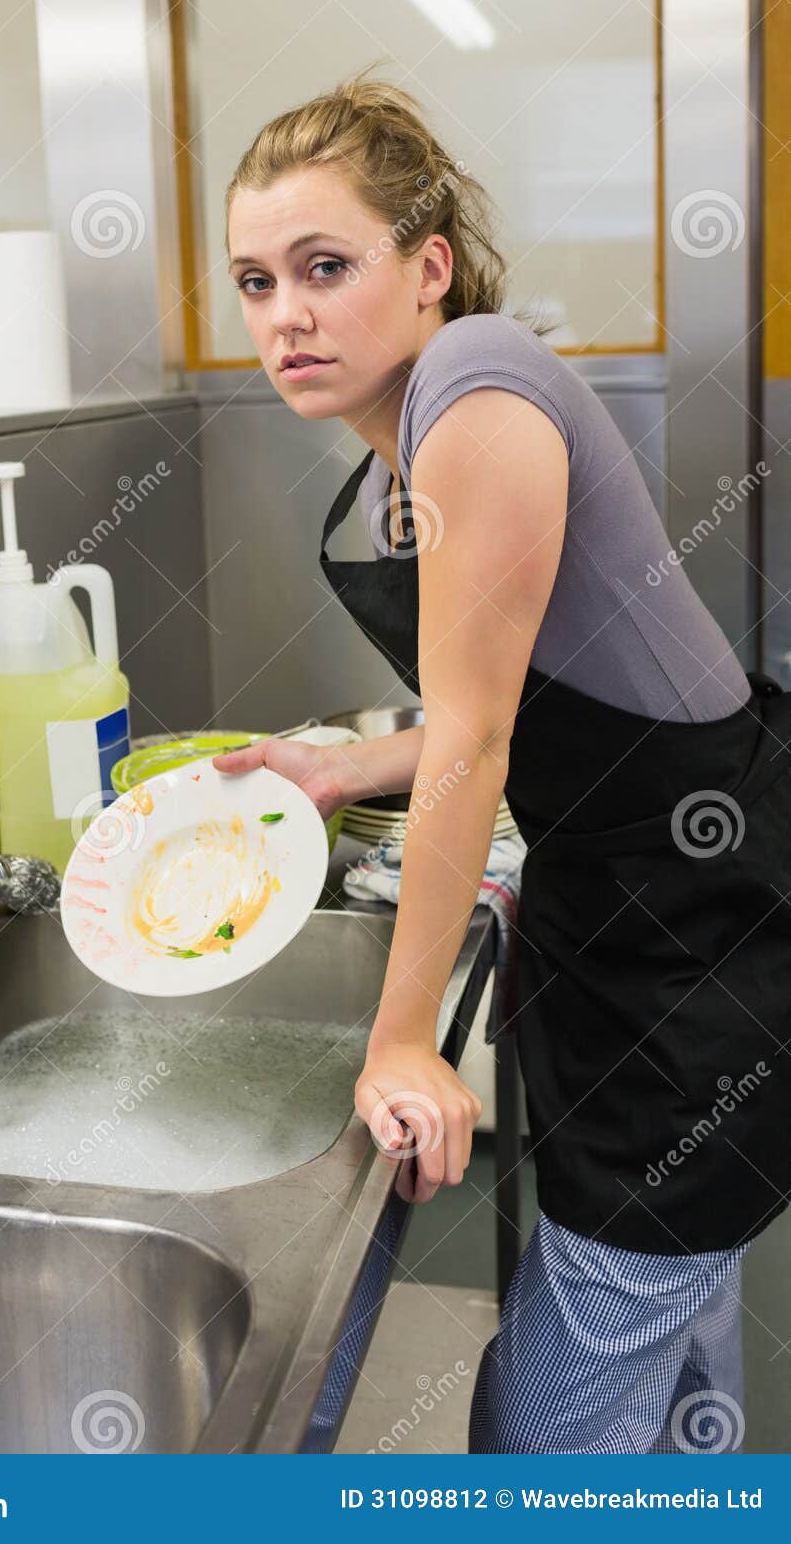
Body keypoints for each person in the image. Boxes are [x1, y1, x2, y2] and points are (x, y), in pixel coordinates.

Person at [212, 70, 791, 1455]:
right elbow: (526, 704)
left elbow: (478, 744)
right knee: (672, 1388)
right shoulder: (410, 438)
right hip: (656, 924)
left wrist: (403, 1037)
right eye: (253, 280)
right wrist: (348, 770)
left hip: (688, 961)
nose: (284, 313)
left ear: (430, 269)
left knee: (540, 1443)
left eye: (324, 265)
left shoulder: (472, 387)